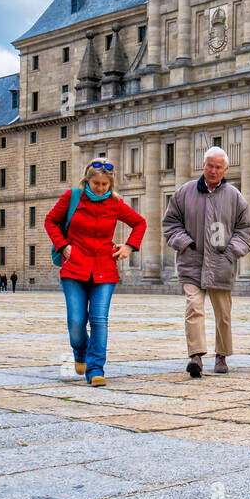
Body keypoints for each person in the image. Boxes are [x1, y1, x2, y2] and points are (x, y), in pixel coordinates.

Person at [45, 158, 146, 386]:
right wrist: (63, 245)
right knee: (76, 321)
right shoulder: (72, 197)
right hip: (74, 266)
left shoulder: (115, 204)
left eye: (104, 184)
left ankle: (95, 369)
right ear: (87, 181)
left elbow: (140, 223)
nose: (100, 188)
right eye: (95, 183)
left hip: (104, 268)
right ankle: (80, 352)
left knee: (99, 319)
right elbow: (50, 220)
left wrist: (129, 246)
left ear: (110, 184)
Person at [162, 146, 250, 378]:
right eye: (209, 165)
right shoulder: (184, 192)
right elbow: (170, 224)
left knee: (223, 313)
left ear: (225, 170)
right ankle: (196, 356)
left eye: (218, 167)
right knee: (194, 307)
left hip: (222, 263)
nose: (213, 170)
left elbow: (244, 230)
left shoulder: (235, 196)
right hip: (192, 261)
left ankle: (221, 355)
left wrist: (232, 252)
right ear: (203, 165)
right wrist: (185, 243)